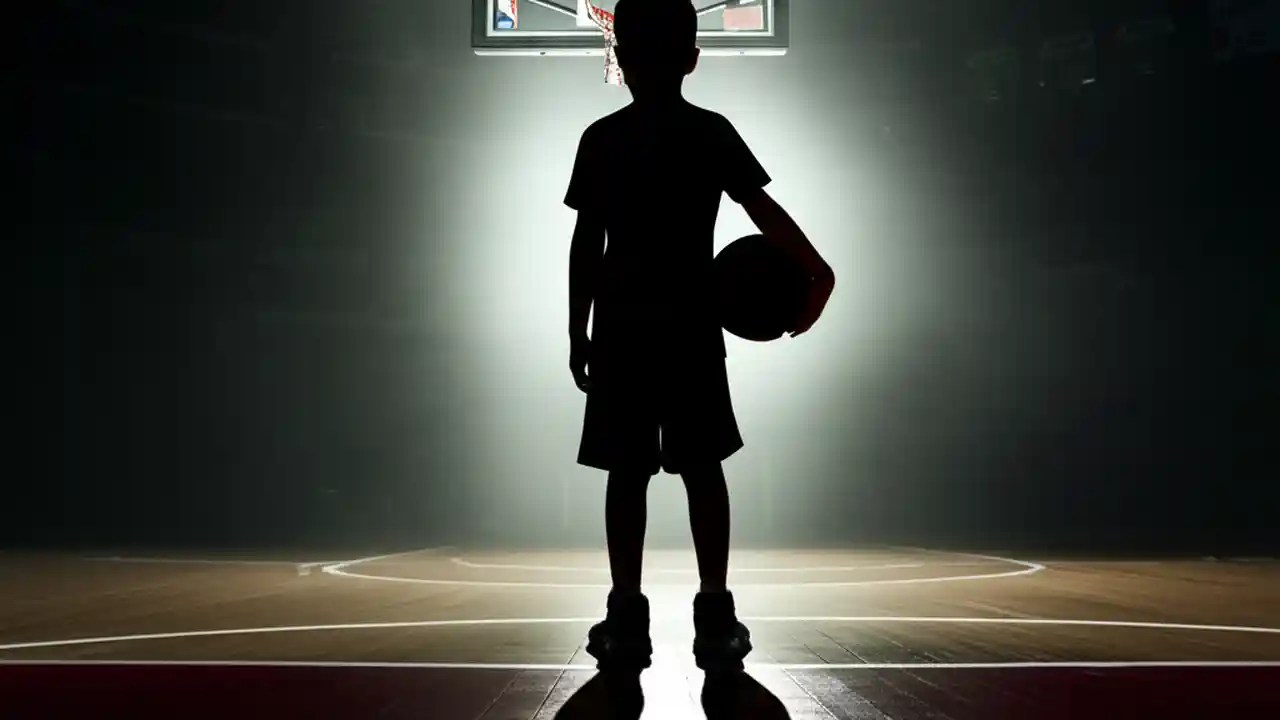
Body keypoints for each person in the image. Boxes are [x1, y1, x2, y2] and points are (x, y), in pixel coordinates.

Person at [564, 0, 834, 673]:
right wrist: (816, 270)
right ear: (692, 56)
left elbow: (586, 244)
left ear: (620, 57)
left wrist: (577, 328)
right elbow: (761, 208)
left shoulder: (603, 138)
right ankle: (714, 612)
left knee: (627, 473)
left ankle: (627, 613)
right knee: (703, 469)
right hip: (690, 324)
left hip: (624, 327)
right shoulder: (710, 133)